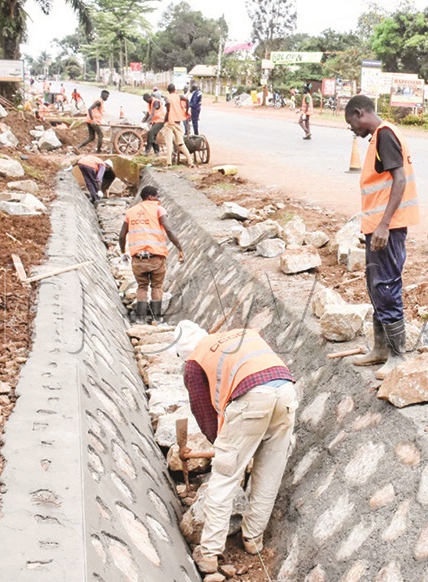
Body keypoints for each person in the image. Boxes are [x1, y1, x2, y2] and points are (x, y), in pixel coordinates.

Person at [173, 320, 297, 575]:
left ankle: (208, 554)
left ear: (182, 353)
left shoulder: (194, 363)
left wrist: (223, 448)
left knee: (224, 478)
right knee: (270, 472)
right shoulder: (240, 334)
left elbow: (203, 411)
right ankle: (253, 539)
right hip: (285, 391)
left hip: (250, 398)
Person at [344, 95, 420, 380]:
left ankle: (397, 355)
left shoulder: (385, 135)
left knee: (387, 286)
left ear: (359, 113)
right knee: (376, 285)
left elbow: (399, 180)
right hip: (377, 226)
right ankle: (380, 349)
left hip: (388, 227)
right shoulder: (378, 137)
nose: (351, 129)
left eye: (350, 122)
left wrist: (384, 225)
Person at [118, 186, 185, 324]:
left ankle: (140, 318)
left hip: (138, 259)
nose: (159, 199)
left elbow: (121, 235)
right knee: (157, 287)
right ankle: (157, 318)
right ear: (150, 197)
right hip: (156, 257)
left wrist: (123, 252)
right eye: (157, 196)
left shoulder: (131, 211)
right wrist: (179, 248)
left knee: (142, 287)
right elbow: (168, 229)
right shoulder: (158, 209)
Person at [163, 83, 194, 167]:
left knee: (169, 144)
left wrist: (167, 113)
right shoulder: (179, 96)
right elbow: (187, 100)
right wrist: (187, 111)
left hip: (169, 122)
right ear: (175, 89)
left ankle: (169, 163)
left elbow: (168, 104)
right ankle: (190, 161)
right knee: (180, 144)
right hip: (177, 122)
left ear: (168, 90)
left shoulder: (167, 97)